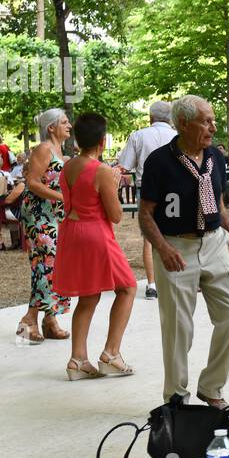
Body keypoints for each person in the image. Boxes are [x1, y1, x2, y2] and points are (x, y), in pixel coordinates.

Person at [138, 95, 229, 406]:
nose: (213, 127)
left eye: (213, 120)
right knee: (178, 329)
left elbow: (218, 204)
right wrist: (162, 248)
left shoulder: (215, 156)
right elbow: (145, 214)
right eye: (207, 121)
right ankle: (176, 397)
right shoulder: (160, 162)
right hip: (176, 247)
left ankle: (211, 387)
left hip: (215, 243)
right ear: (184, 124)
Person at [52, 113, 137, 381]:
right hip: (95, 232)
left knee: (88, 296)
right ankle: (111, 353)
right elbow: (115, 215)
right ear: (102, 141)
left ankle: (78, 360)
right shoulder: (100, 170)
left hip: (71, 230)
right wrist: (113, 182)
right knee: (127, 287)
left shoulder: (67, 166)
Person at [16, 108, 72, 346]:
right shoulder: (43, 149)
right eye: (64, 122)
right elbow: (32, 182)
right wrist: (62, 197)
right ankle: (30, 319)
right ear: (51, 127)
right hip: (39, 215)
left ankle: (50, 320)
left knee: (53, 265)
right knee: (46, 263)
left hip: (55, 216)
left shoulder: (61, 151)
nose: (70, 125)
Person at [117, 101, 176, 300]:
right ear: (170, 118)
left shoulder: (138, 136)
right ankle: (177, 279)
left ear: (151, 117)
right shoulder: (178, 136)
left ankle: (152, 285)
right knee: (177, 232)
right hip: (175, 190)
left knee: (149, 238)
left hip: (147, 189)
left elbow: (124, 165)